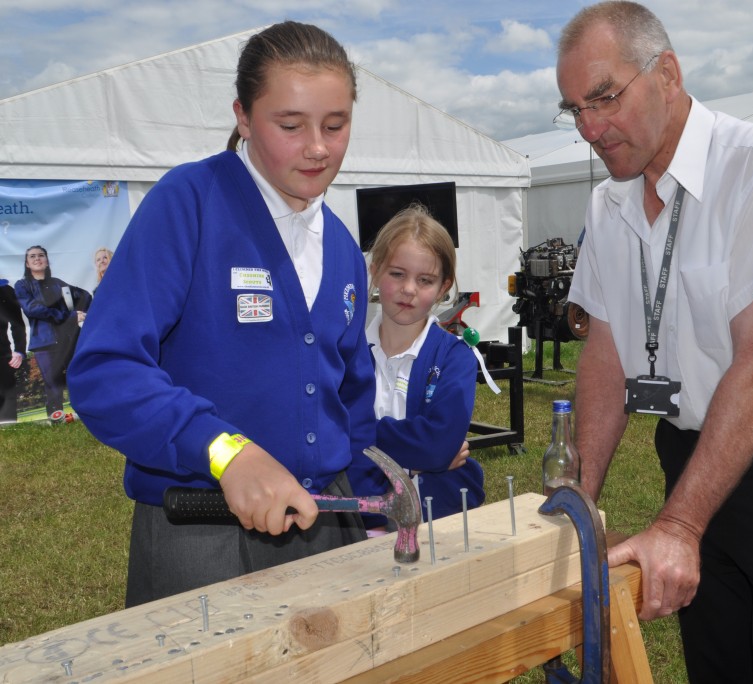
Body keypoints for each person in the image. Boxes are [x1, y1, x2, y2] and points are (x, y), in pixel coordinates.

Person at [557, 3, 753, 682]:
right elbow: (604, 361)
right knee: (713, 660)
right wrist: (575, 503)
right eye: (573, 109)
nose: (590, 128)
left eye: (603, 97)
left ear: (667, 73)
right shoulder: (608, 205)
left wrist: (678, 528)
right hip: (690, 453)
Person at [67, 21, 376, 607]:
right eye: (290, 125)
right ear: (243, 116)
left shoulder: (340, 245)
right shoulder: (188, 204)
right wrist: (226, 451)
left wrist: (367, 497)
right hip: (202, 531)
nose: (317, 146)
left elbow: (351, 394)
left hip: (328, 525)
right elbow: (105, 369)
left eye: (336, 126)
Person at [349, 204, 484, 523]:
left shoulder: (455, 357)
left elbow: (440, 442)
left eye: (425, 280)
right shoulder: (347, 355)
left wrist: (363, 441)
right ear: (375, 270)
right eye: (397, 274)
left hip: (442, 519)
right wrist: (418, 456)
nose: (409, 289)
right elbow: (331, 441)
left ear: (444, 287)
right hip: (364, 525)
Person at [14, 246, 91, 421]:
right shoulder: (22, 285)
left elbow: (85, 296)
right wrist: (70, 316)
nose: (37, 259)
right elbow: (33, 309)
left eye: (41, 255)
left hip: (68, 339)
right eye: (32, 256)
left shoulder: (58, 283)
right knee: (52, 383)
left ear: (47, 260)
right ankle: (56, 418)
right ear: (27, 263)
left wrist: (81, 314)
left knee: (75, 377)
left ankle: (85, 414)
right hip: (43, 343)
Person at [0, 276, 26, 423]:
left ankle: (8, 428)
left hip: (2, 354)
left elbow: (17, 324)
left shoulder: (5, 290)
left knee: (6, 394)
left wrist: (20, 350)